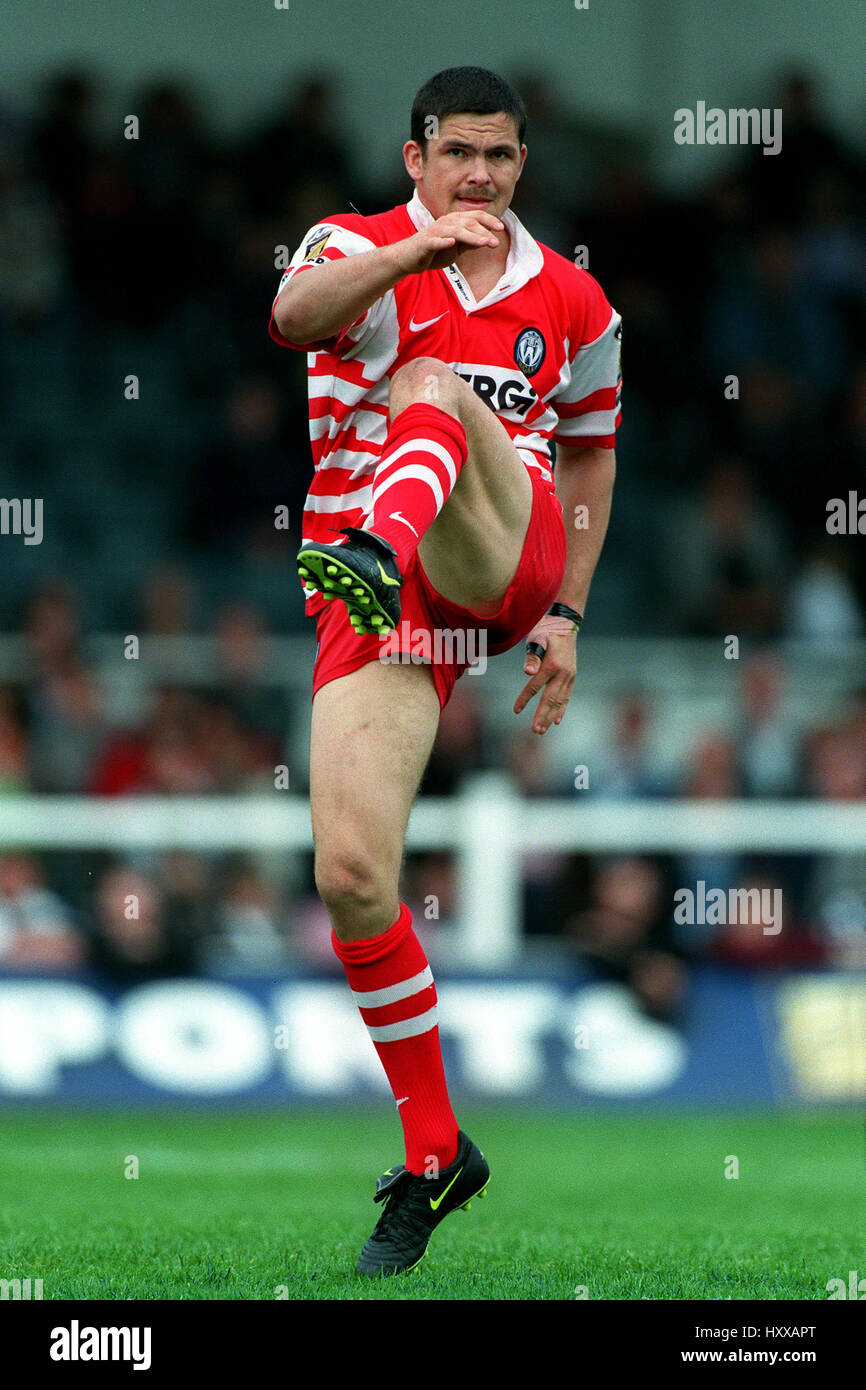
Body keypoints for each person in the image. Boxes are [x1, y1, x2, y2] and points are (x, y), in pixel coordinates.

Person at [269, 66, 621, 1276]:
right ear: (413, 155)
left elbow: (586, 456)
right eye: (459, 153)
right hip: (384, 605)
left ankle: (378, 539)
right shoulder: (352, 242)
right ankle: (435, 1151)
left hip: (492, 555)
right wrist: (415, 253)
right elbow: (295, 319)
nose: (481, 175)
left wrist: (566, 611)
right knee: (354, 874)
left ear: (523, 166)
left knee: (430, 389)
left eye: (502, 157)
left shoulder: (571, 299)